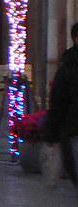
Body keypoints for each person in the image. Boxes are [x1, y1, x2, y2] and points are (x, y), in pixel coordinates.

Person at [44, 22, 78, 185]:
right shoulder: (68, 66)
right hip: (72, 127)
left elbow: (57, 100)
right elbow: (58, 100)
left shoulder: (67, 66)